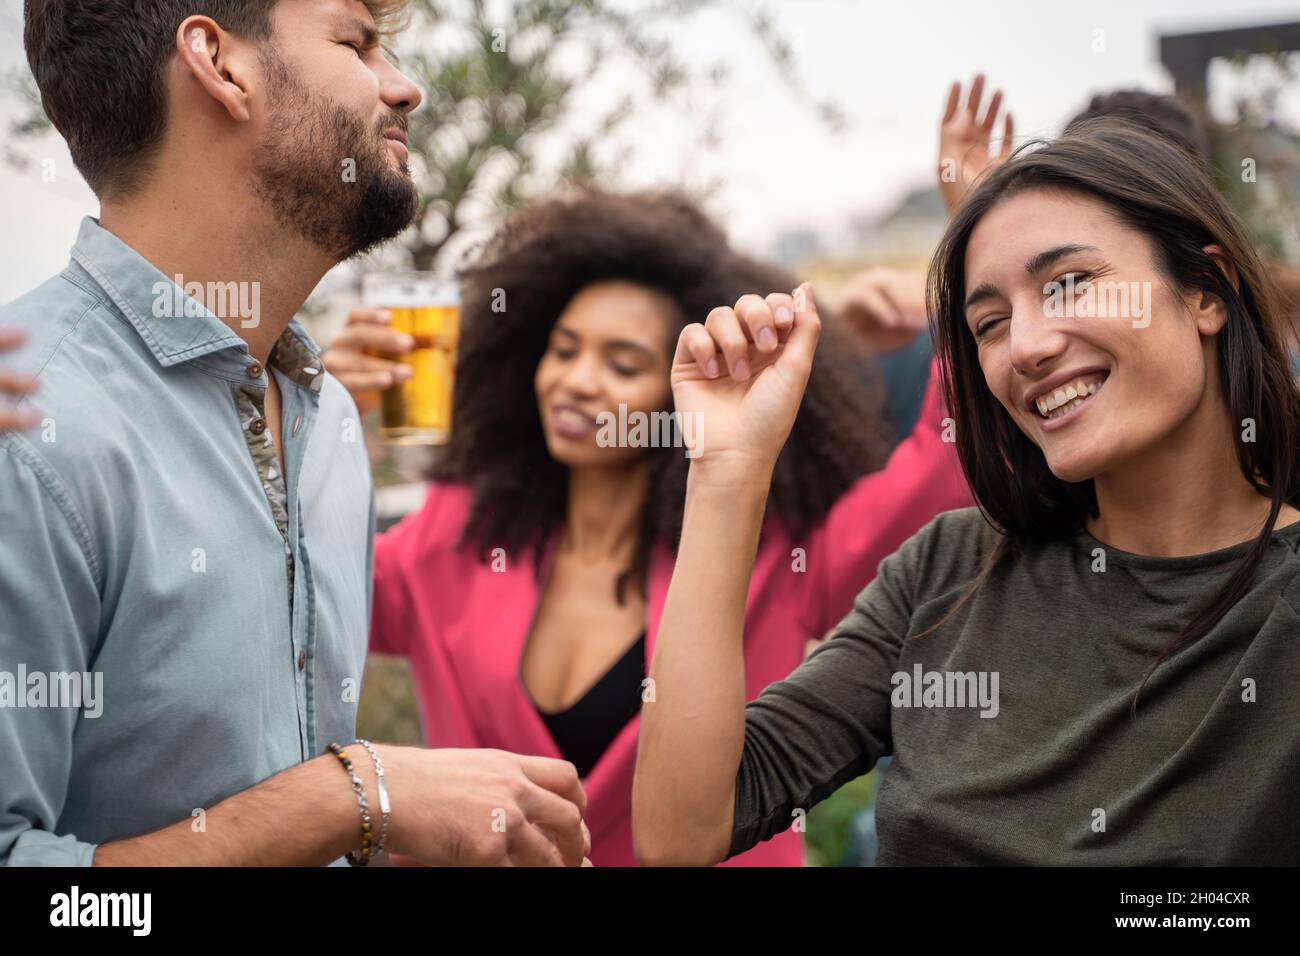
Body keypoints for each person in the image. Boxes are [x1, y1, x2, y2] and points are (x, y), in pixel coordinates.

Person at [2, 0, 588, 867]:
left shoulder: (329, 420)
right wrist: (352, 797)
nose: (406, 87)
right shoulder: (29, 429)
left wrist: (393, 827)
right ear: (219, 64)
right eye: (356, 42)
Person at [632, 119, 1300, 865]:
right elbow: (683, 831)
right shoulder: (947, 571)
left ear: (1206, 290)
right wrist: (728, 469)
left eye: (1070, 285)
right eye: (991, 323)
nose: (1029, 346)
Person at [324, 187, 972, 865]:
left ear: (685, 388)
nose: (576, 380)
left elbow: (940, 471)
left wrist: (967, 284)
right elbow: (311, 587)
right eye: (563, 349)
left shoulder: (769, 548)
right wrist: (319, 418)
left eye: (622, 364)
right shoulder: (464, 528)